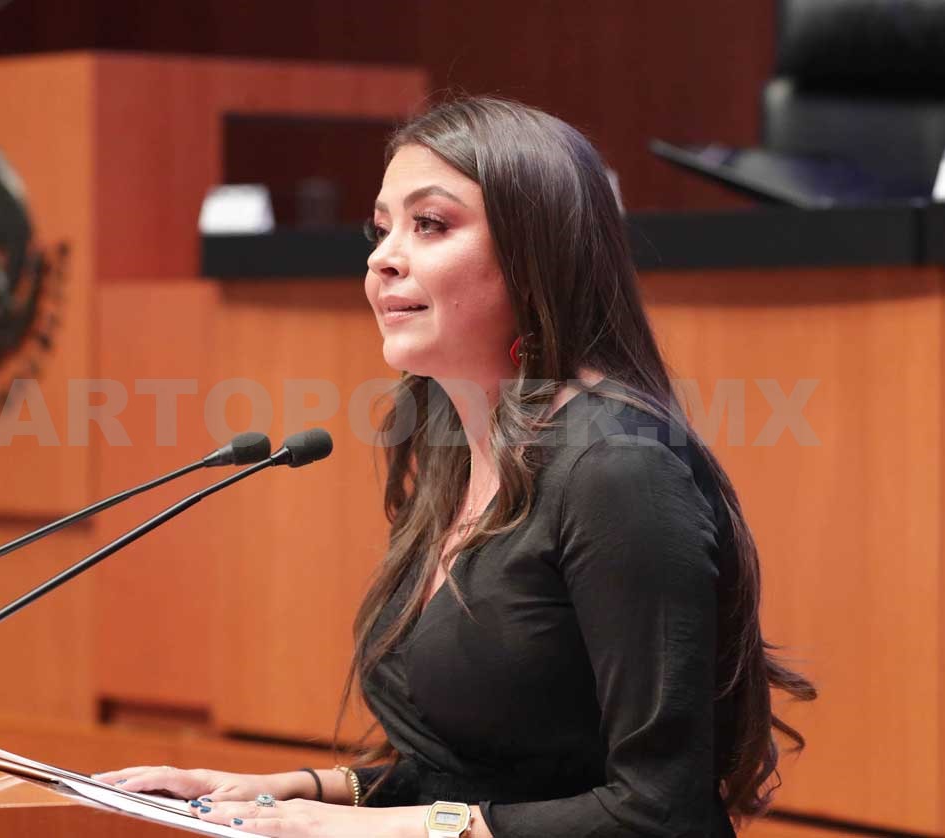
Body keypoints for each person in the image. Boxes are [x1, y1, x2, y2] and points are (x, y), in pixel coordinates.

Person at [95, 96, 816, 837]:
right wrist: (289, 789)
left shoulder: (618, 471)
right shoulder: (457, 454)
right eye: (381, 229)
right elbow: (483, 775)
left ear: (536, 250)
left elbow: (660, 813)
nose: (383, 257)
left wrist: (348, 830)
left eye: (429, 225)